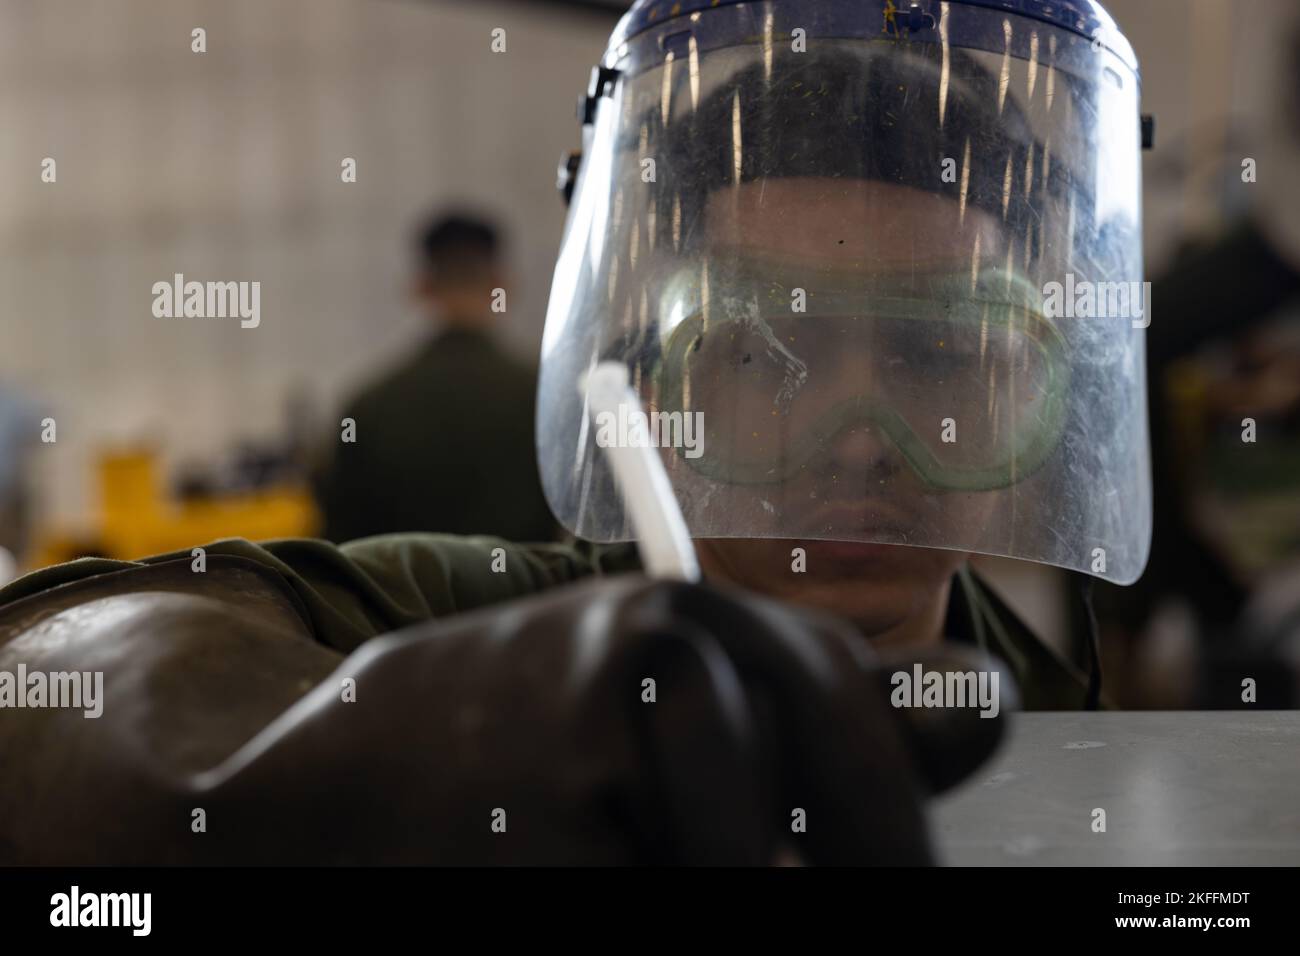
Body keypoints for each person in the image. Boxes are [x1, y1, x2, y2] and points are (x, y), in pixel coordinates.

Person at [0, 0, 1151, 864]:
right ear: (654, 392)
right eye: (763, 356)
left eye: (937, 351)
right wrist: (391, 751)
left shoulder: (1106, 751)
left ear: (1027, 396)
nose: (862, 438)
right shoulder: (462, 631)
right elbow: (43, 666)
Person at [313, 212, 557, 544]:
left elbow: (341, 541)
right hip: (536, 595)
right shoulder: (547, 398)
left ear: (421, 287)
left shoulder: (368, 406)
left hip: (401, 595)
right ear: (503, 285)